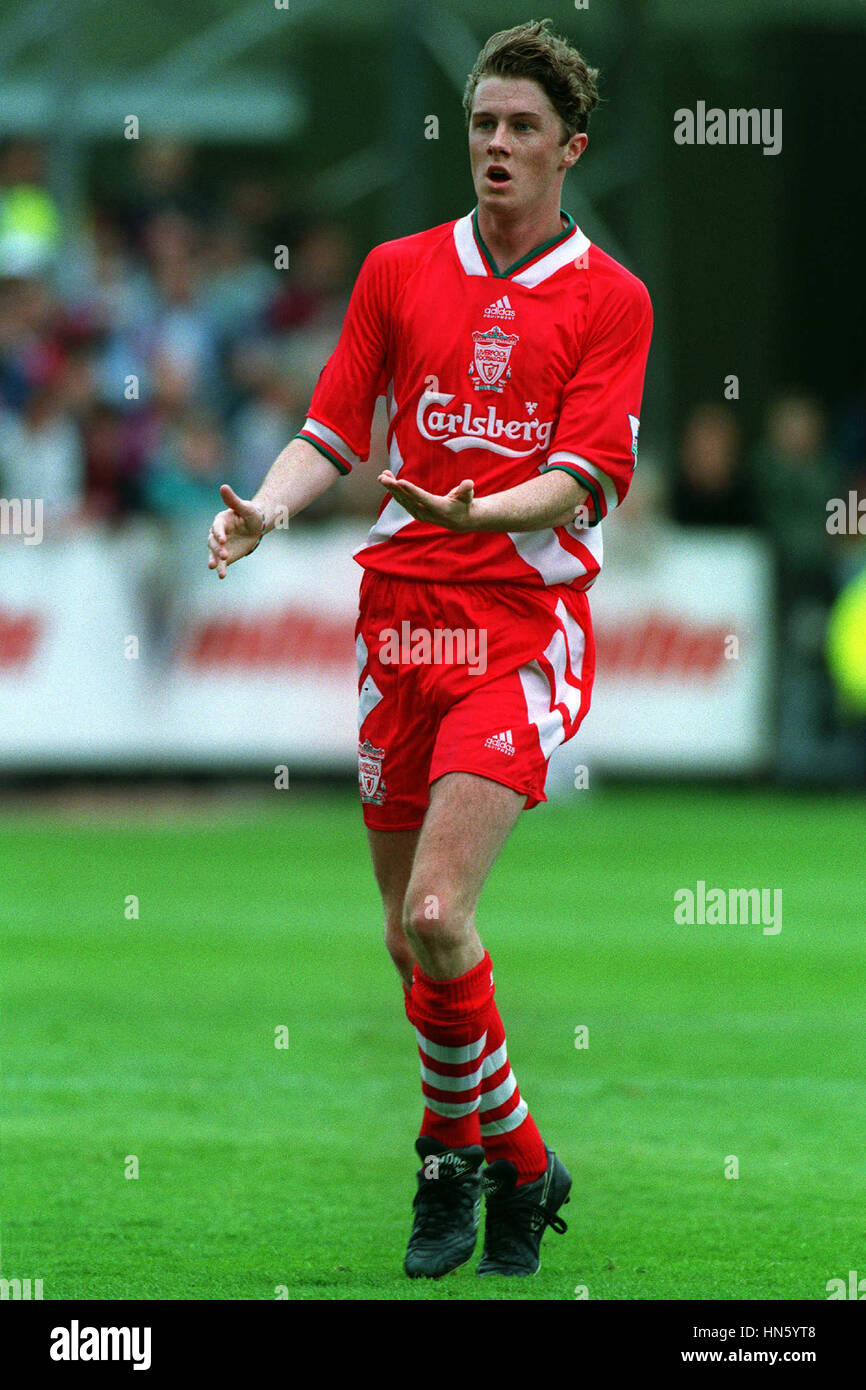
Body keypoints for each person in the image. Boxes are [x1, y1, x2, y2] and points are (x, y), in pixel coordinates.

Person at [206, 19, 652, 1279]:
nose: (495, 147)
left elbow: (577, 481)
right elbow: (332, 424)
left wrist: (478, 509)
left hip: (515, 631)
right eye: (480, 126)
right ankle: (524, 1163)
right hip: (396, 623)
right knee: (410, 944)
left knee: (442, 909)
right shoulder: (400, 271)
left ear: (570, 148)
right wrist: (269, 506)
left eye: (520, 128)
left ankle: (443, 1159)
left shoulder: (611, 299)